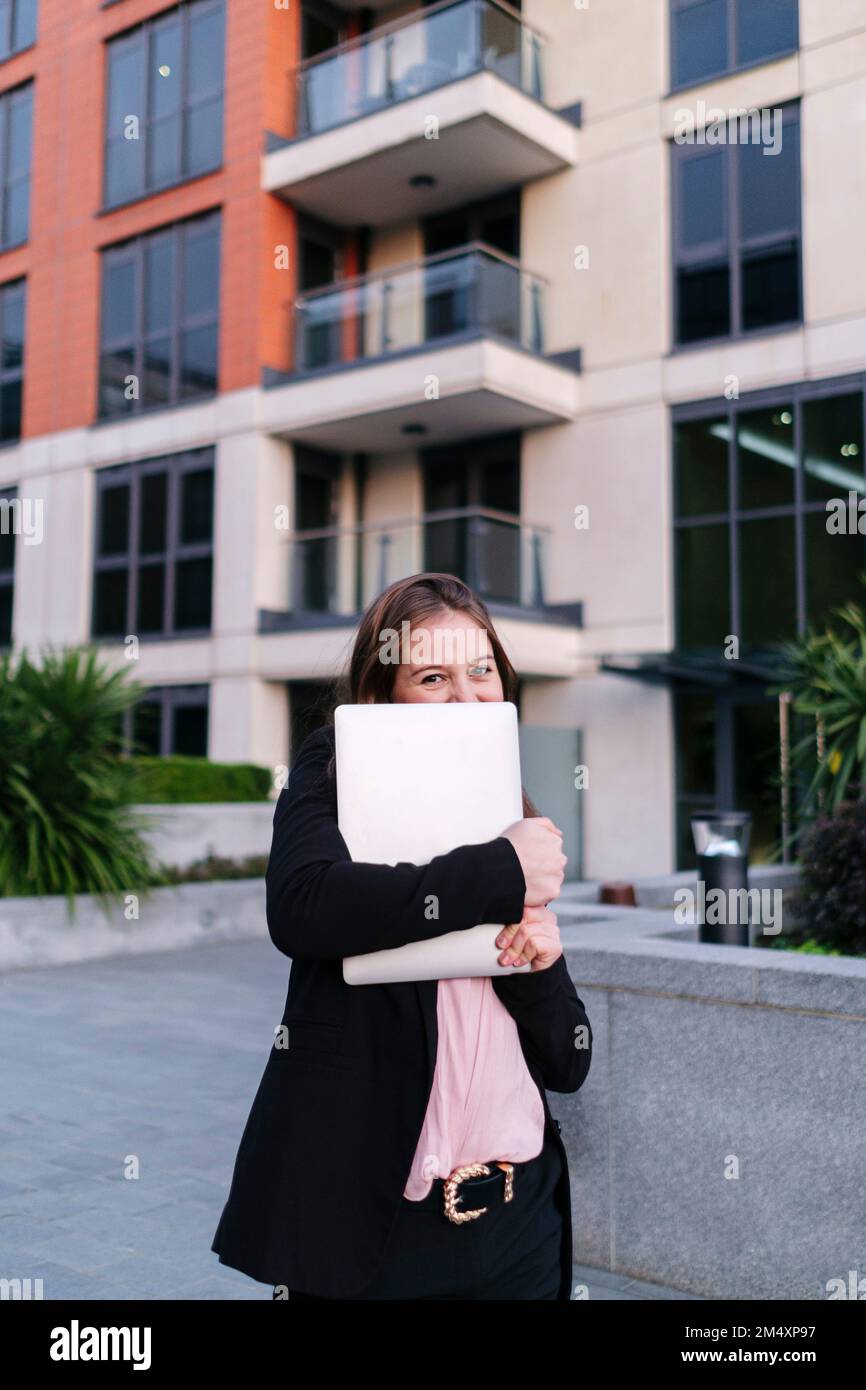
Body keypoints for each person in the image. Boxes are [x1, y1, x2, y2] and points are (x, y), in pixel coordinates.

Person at [211, 572, 593, 1300]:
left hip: (519, 1225)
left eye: (482, 671)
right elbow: (301, 905)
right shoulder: (335, 766)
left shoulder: (508, 807)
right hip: (380, 1232)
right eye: (432, 676)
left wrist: (541, 965)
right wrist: (501, 869)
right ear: (382, 695)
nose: (467, 696)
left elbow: (569, 1065)